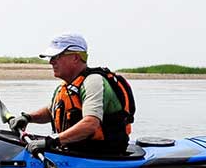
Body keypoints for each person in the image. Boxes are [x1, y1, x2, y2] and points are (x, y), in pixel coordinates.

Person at [7, 33, 136, 156]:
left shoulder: (93, 82)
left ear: (75, 57)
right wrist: (28, 118)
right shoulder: (66, 86)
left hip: (103, 155)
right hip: (75, 150)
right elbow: (51, 111)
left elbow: (91, 124)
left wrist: (53, 141)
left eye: (56, 56)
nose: (51, 62)